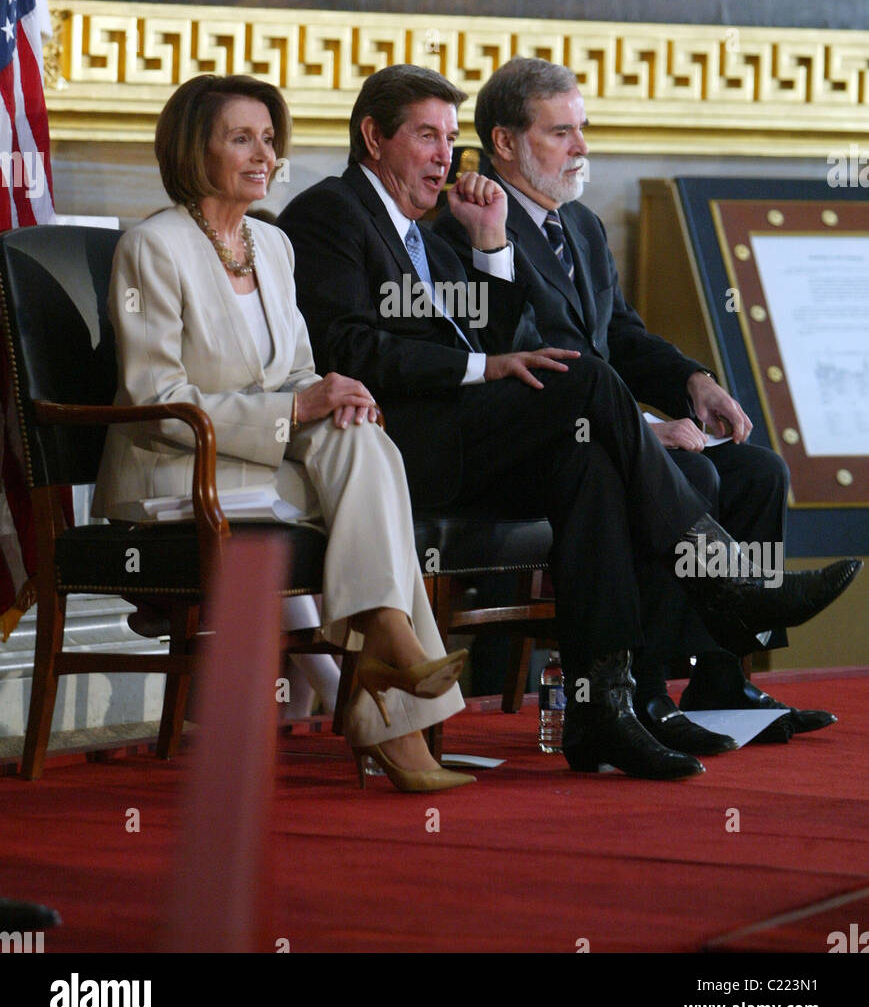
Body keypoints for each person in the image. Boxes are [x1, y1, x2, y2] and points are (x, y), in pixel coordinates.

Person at [277, 64, 861, 781]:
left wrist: (492, 245)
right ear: (373, 136)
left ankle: (601, 711)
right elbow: (357, 348)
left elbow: (481, 334)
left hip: (488, 429)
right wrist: (486, 368)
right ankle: (724, 578)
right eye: (427, 136)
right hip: (405, 447)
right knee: (590, 383)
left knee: (596, 466)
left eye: (447, 138)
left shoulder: (433, 227)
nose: (442, 155)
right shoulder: (332, 213)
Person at [434, 56, 837, 749]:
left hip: (611, 421)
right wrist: (648, 428)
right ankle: (645, 694)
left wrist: (692, 383)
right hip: (542, 440)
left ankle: (720, 677)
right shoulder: (467, 227)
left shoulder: (581, 225)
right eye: (561, 133)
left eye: (581, 129)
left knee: (757, 471)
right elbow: (511, 353)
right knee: (695, 473)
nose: (582, 147)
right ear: (504, 143)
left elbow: (618, 334)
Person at [91, 73, 473, 795]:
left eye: (268, 138)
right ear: (191, 148)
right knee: (367, 463)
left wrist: (332, 395)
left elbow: (295, 369)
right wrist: (295, 412)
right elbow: (154, 397)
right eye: (240, 138)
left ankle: (387, 648)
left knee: (362, 435)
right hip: (178, 469)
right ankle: (391, 683)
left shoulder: (272, 245)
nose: (262, 154)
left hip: (263, 467)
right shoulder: (154, 246)